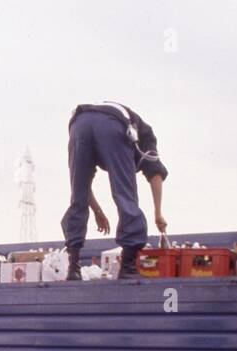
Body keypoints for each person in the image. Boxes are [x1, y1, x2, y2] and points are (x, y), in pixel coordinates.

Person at [61, 101, 169, 280]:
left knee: (77, 192)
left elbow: (83, 185)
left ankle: (73, 268)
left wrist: (97, 210)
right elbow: (155, 172)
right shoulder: (146, 135)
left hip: (78, 124)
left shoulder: (93, 119)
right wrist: (158, 213)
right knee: (125, 195)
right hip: (112, 124)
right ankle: (127, 267)